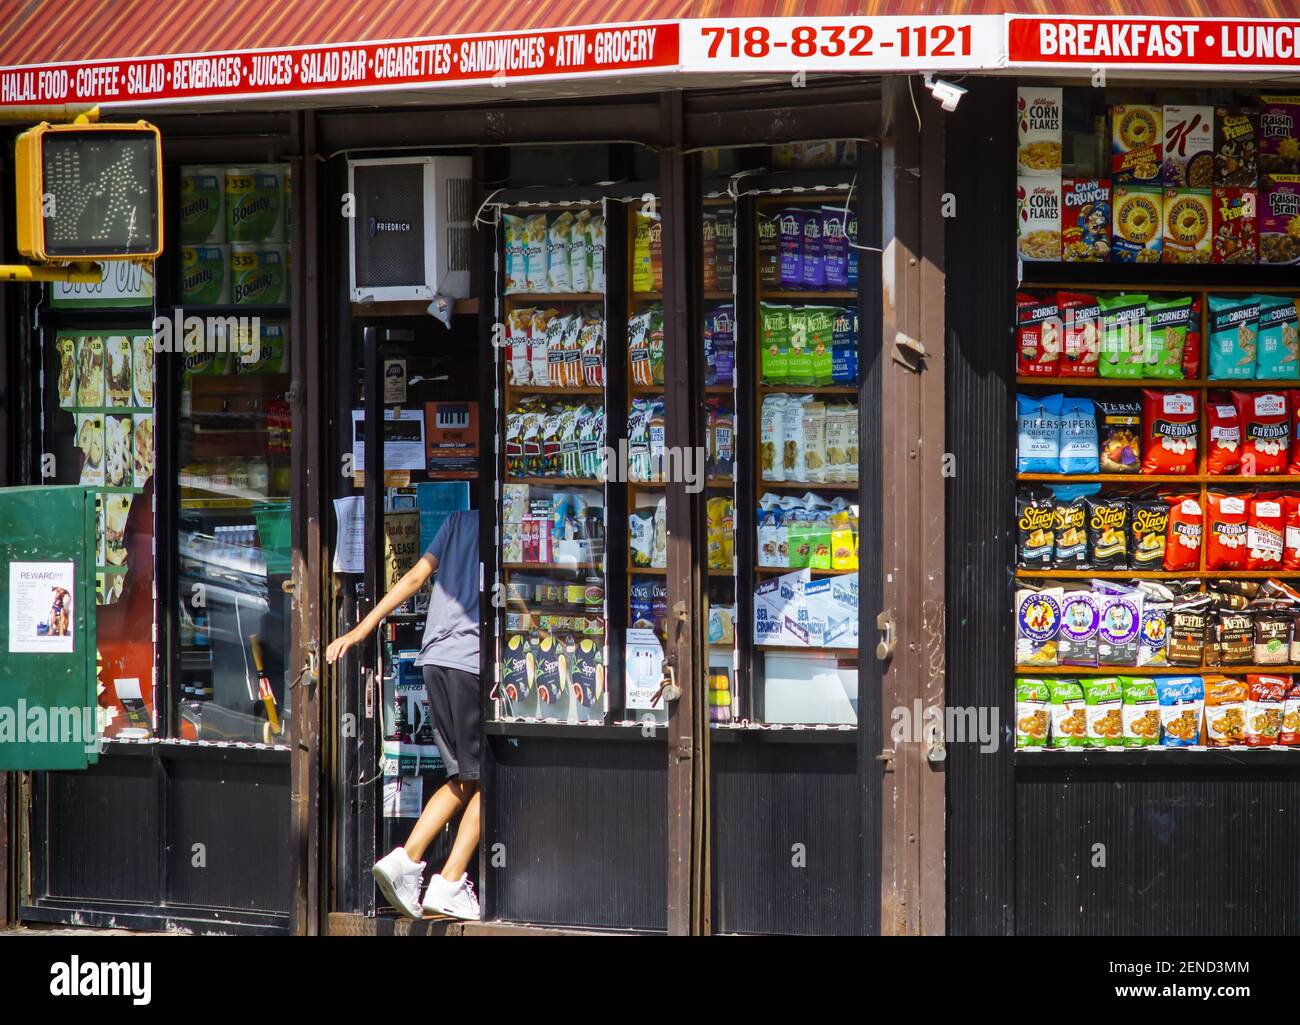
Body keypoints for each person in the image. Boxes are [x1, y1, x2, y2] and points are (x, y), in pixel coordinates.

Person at [325, 508, 481, 920]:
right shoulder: (501, 519)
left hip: (436, 661)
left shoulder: (457, 521)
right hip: (472, 662)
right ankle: (448, 881)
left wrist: (362, 628)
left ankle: (404, 862)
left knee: (464, 779)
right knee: (489, 781)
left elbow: (414, 578)